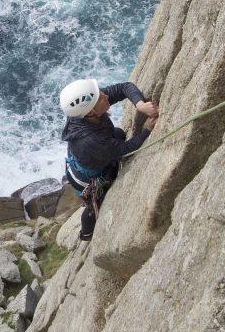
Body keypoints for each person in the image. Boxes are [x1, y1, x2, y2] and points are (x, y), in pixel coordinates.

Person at [60, 79, 159, 240]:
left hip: (85, 159)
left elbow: (123, 87)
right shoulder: (90, 140)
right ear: (90, 112)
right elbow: (124, 149)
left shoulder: (86, 110)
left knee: (118, 133)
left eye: (100, 92)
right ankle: (86, 234)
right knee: (93, 205)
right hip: (86, 179)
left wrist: (140, 105)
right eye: (99, 97)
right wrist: (147, 130)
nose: (105, 95)